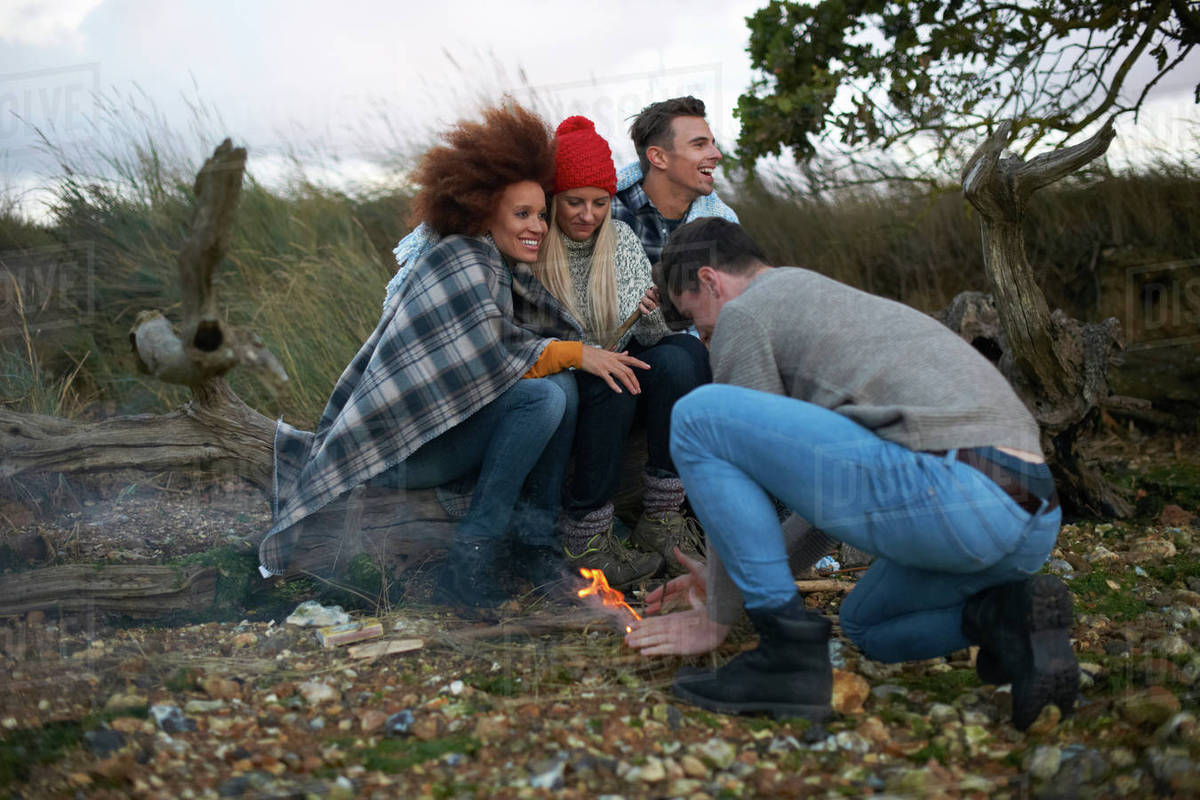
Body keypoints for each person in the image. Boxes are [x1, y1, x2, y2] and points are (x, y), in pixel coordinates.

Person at [628, 217, 1077, 731]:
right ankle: (1015, 618)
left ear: (710, 280)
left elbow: (732, 455)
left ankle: (787, 657)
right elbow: (827, 505)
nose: (705, 340)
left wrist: (721, 615)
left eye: (698, 323)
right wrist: (734, 577)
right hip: (1029, 515)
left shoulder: (746, 314)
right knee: (870, 626)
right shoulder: (825, 304)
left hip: (951, 489)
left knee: (697, 416)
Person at [258, 103, 644, 607]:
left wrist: (584, 350)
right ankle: (470, 560)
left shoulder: (500, 266)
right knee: (543, 400)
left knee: (561, 389)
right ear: (484, 210)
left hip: (440, 433)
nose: (538, 227)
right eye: (521, 214)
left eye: (540, 215)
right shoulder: (459, 258)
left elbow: (512, 350)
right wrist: (575, 352)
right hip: (399, 448)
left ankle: (536, 545)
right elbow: (490, 352)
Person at [531, 116, 713, 587]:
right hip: (570, 377)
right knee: (612, 378)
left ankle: (662, 517)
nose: (588, 215)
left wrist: (649, 310)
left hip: (621, 364)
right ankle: (587, 534)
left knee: (683, 355)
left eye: (599, 202)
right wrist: (594, 353)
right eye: (574, 202)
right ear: (554, 200)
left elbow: (646, 337)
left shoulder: (622, 239)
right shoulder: (535, 247)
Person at [610, 97, 739, 264]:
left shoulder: (725, 225)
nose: (717, 154)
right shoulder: (602, 211)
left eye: (712, 144)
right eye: (699, 145)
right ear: (658, 157)